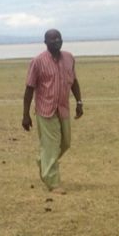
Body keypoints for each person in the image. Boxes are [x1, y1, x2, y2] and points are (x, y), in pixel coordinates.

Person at [22, 29, 84, 193]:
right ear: (46, 43)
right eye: (52, 39)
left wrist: (79, 102)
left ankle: (44, 162)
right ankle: (53, 182)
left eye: (59, 38)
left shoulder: (69, 58)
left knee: (65, 143)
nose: (57, 41)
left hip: (63, 108)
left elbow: (74, 81)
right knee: (50, 145)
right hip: (45, 109)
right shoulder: (38, 61)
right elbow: (29, 89)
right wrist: (25, 115)